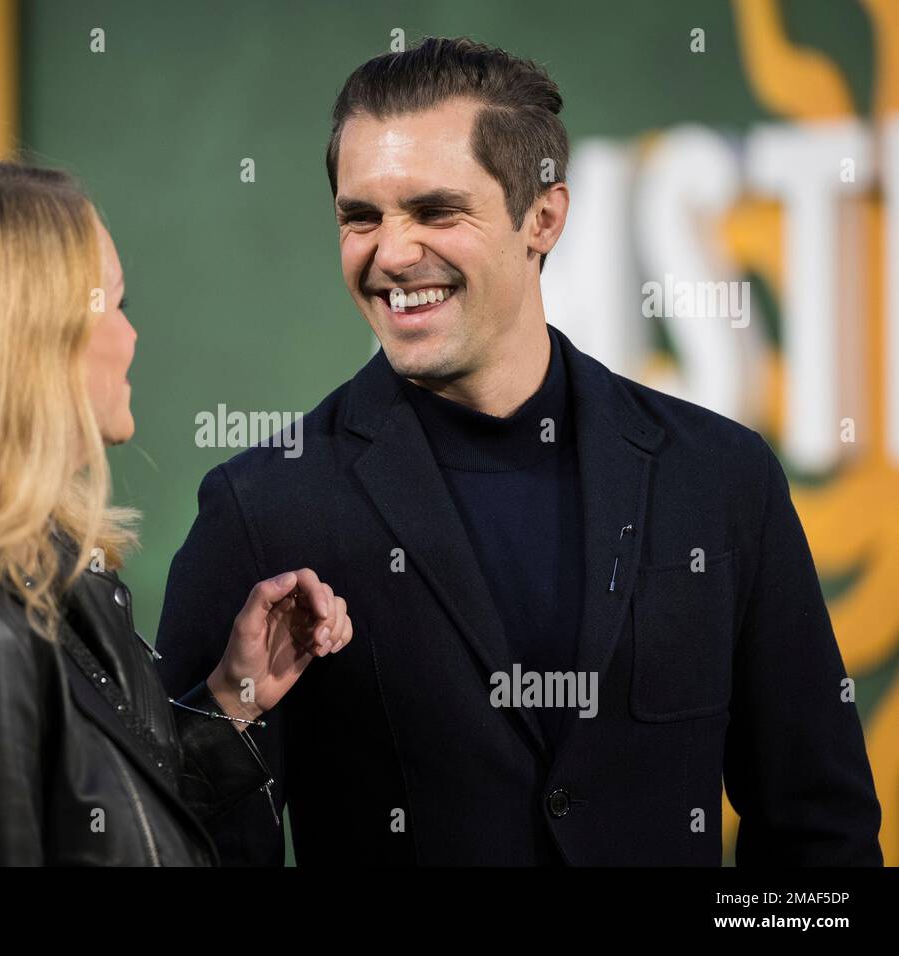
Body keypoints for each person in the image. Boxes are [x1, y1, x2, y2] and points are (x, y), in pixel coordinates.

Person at [154, 37, 883, 865]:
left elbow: (821, 833)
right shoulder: (262, 509)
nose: (390, 253)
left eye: (435, 211)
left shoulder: (719, 480)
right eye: (361, 217)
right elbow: (190, 844)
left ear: (543, 217)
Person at [0, 163, 352, 866]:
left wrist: (232, 699)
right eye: (113, 304)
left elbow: (109, 833)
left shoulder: (44, 587)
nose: (133, 336)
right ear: (28, 346)